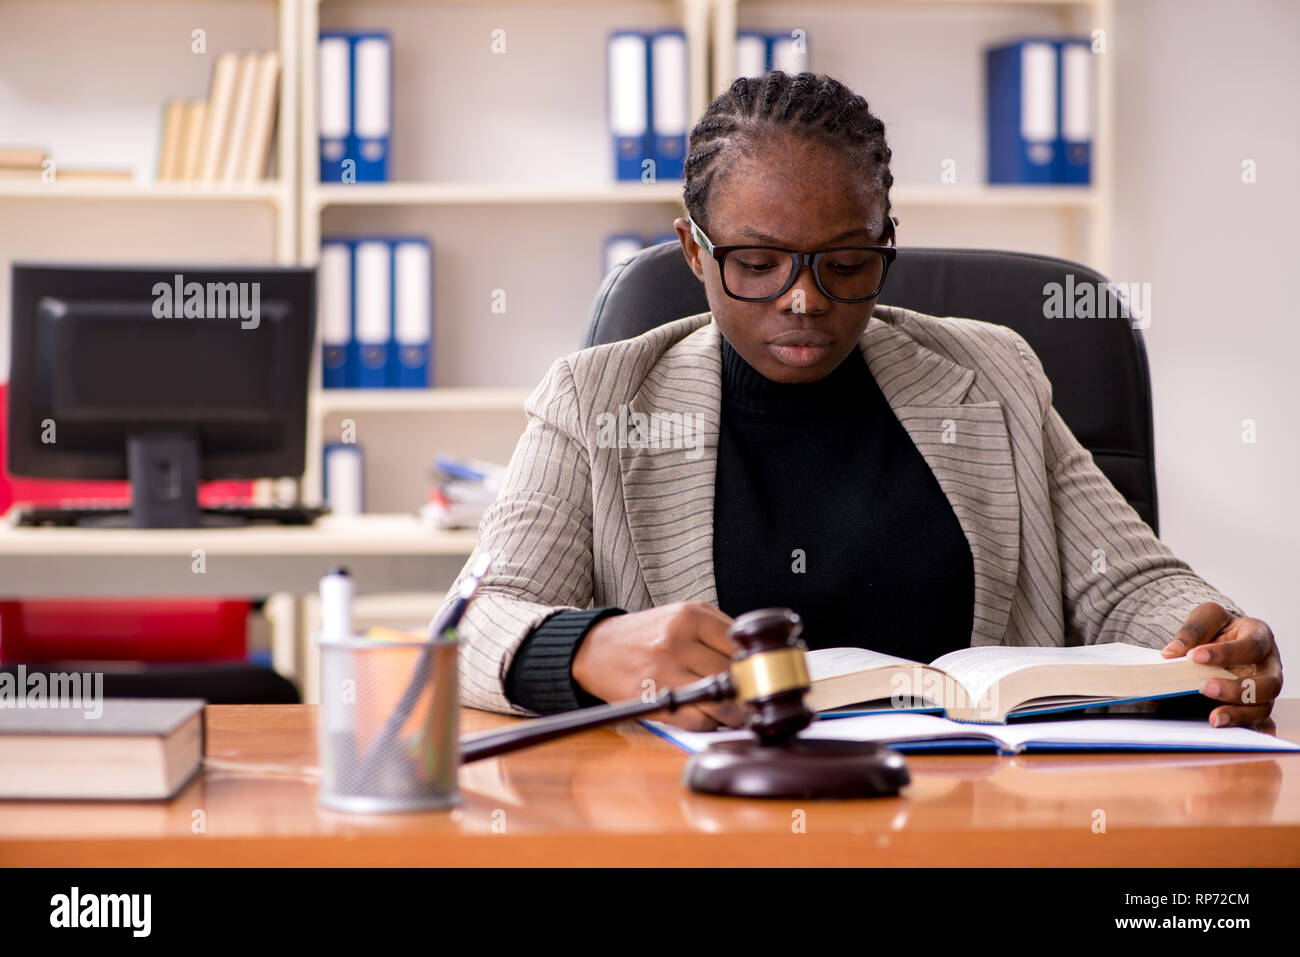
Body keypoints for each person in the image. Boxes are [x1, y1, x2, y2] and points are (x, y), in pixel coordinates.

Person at [434, 70, 1282, 732]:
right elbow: (466, 631)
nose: (803, 300)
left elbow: (1128, 583)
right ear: (694, 251)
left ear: (886, 243)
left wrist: (1209, 639)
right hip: (710, 824)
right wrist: (588, 647)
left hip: (991, 817)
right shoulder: (598, 399)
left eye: (844, 263)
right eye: (758, 263)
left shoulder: (995, 375)